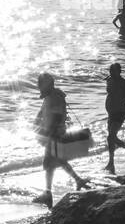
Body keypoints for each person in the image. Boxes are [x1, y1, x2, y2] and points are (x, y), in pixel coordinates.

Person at [35, 72, 89, 205]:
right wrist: (37, 120)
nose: (39, 86)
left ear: (47, 84)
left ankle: (48, 194)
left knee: (48, 163)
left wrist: (50, 131)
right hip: (53, 132)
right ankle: (78, 180)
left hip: (55, 133)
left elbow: (58, 115)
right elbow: (43, 111)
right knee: (58, 160)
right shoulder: (50, 96)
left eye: (40, 84)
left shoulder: (55, 97)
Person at [103, 63, 125, 173]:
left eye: (113, 71)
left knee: (111, 136)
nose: (111, 73)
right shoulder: (109, 80)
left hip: (120, 113)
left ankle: (112, 162)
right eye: (110, 70)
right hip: (111, 113)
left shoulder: (124, 83)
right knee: (111, 138)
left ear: (119, 71)